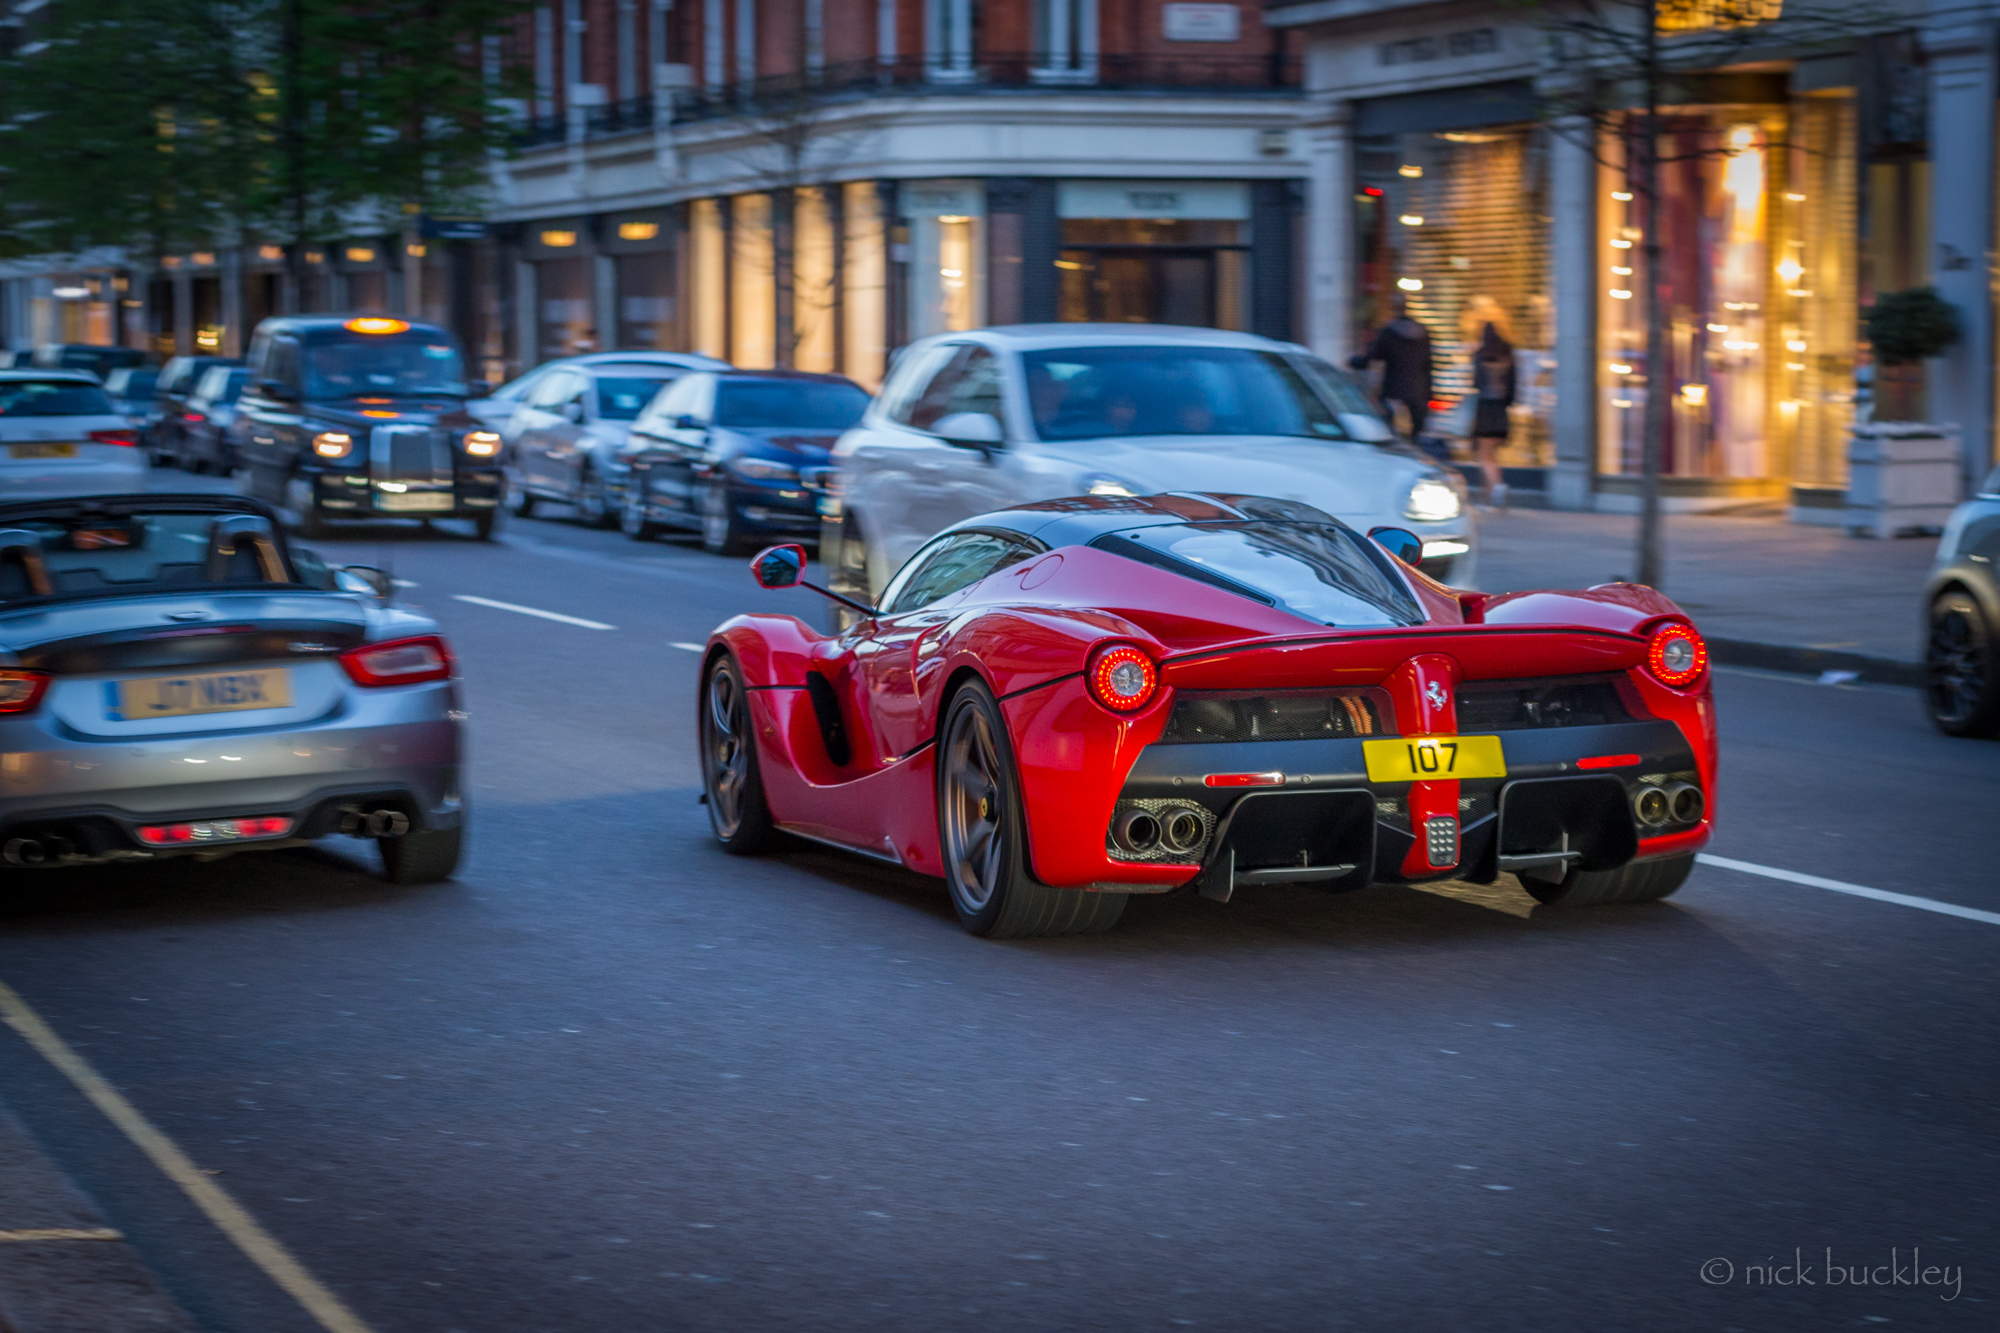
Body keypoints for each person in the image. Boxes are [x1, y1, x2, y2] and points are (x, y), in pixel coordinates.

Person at [1350, 295, 1433, 440]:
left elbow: (1373, 358)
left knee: (1390, 429)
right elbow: (1428, 366)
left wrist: (1354, 362)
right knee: (1416, 437)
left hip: (1394, 390)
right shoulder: (1423, 333)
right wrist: (1429, 394)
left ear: (1392, 308)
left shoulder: (1389, 332)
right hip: (1418, 392)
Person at [1468, 316, 1517, 508]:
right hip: (1501, 412)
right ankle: (1487, 499)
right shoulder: (1508, 357)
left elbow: (1476, 383)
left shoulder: (1480, 356)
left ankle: (1497, 486)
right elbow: (1513, 388)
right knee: (1491, 456)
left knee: (1484, 456)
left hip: (1485, 411)